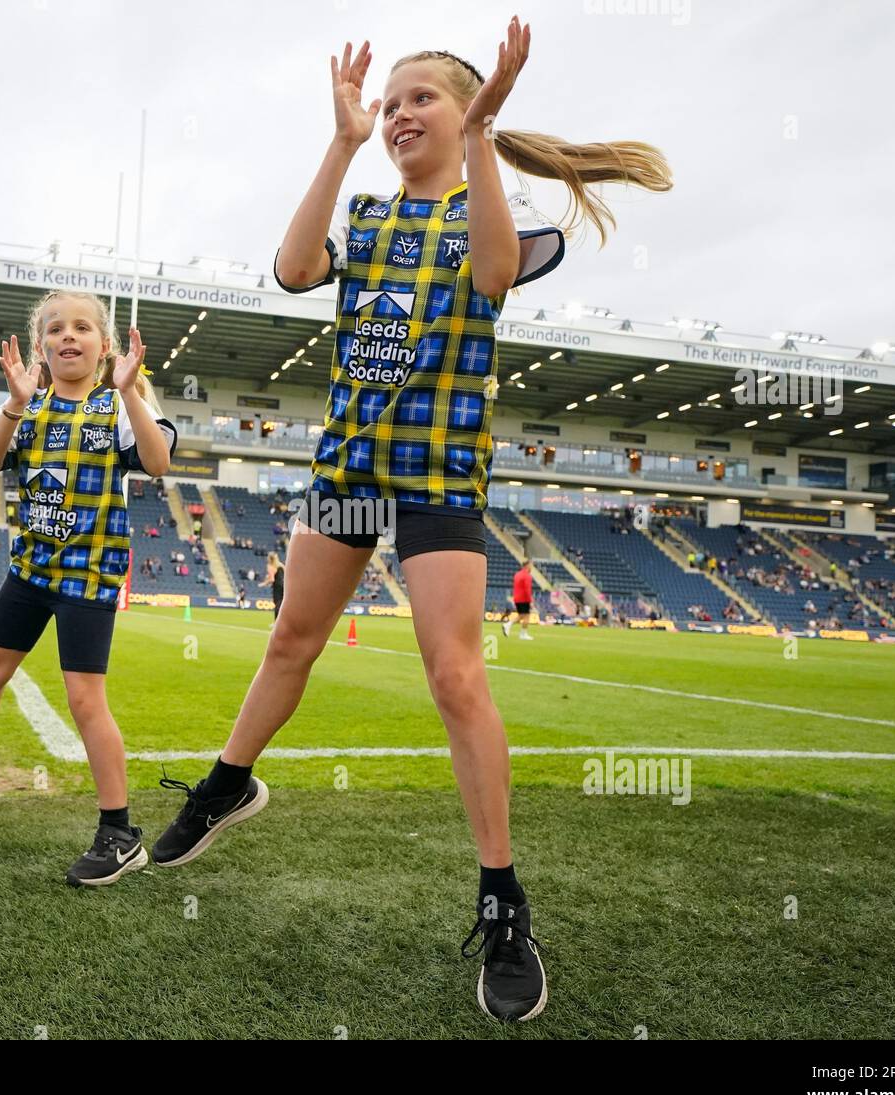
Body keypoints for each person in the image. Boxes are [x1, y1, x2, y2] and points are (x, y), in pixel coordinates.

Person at [148, 24, 669, 1022]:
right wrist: (340, 142)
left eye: (417, 98)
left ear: (466, 113)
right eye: (389, 103)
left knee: (454, 674)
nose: (398, 114)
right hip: (348, 465)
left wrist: (483, 131)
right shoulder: (369, 212)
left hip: (436, 474)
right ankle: (226, 783)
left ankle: (503, 897)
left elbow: (487, 272)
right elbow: (294, 270)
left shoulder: (491, 222)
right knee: (291, 640)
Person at [0, 290, 176, 888]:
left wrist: (129, 391)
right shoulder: (24, 404)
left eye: (83, 328)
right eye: (56, 329)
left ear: (105, 344)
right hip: (29, 572)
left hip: (88, 578)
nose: (69, 336)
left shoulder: (119, 404)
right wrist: (15, 405)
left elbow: (159, 460)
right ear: (40, 345)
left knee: (84, 700)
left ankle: (119, 833)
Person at [502, 558, 534, 639]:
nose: (531, 567)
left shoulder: (517, 574)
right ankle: (523, 634)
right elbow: (527, 589)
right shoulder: (527, 576)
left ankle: (508, 625)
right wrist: (530, 601)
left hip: (517, 598)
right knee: (526, 616)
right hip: (524, 598)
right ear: (527, 565)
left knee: (521, 615)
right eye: (531, 565)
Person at [259, 550, 285, 619]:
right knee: (282, 604)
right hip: (283, 585)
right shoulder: (280, 565)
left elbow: (272, 579)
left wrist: (264, 583)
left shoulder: (270, 566)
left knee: (277, 604)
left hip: (277, 587)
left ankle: (276, 622)